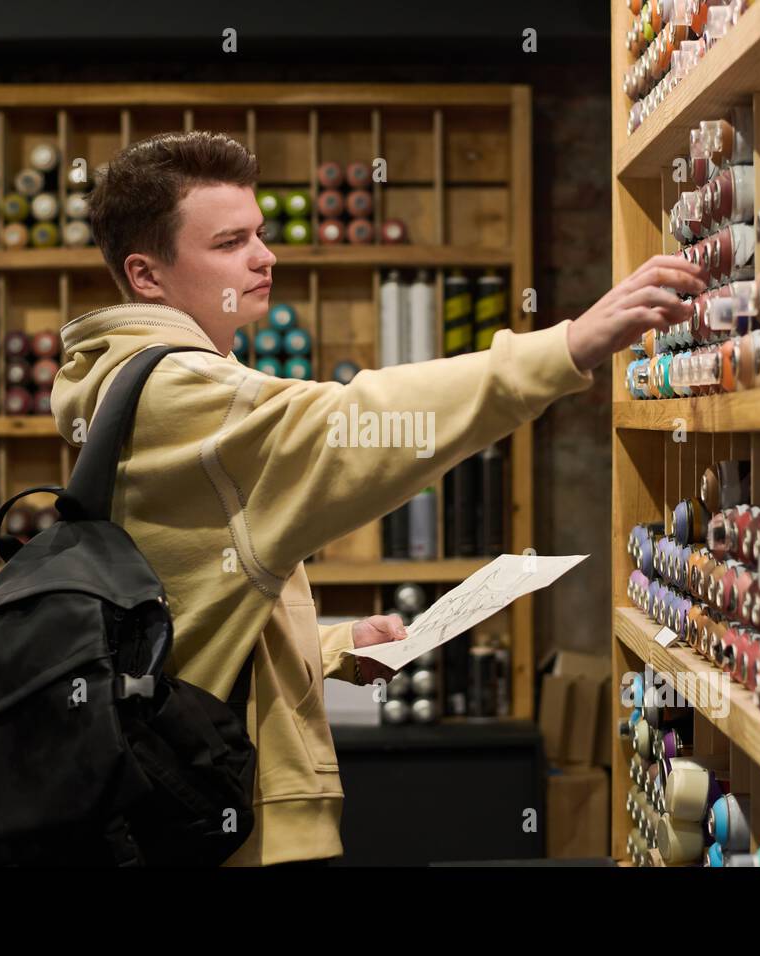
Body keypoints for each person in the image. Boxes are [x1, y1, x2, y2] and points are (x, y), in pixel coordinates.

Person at [50, 130, 706, 866]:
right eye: (231, 242)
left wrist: (327, 649)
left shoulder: (123, 381)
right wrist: (570, 346)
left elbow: (187, 601)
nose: (266, 257)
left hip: (204, 804)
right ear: (146, 275)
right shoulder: (175, 389)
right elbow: (355, 426)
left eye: (261, 233)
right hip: (233, 823)